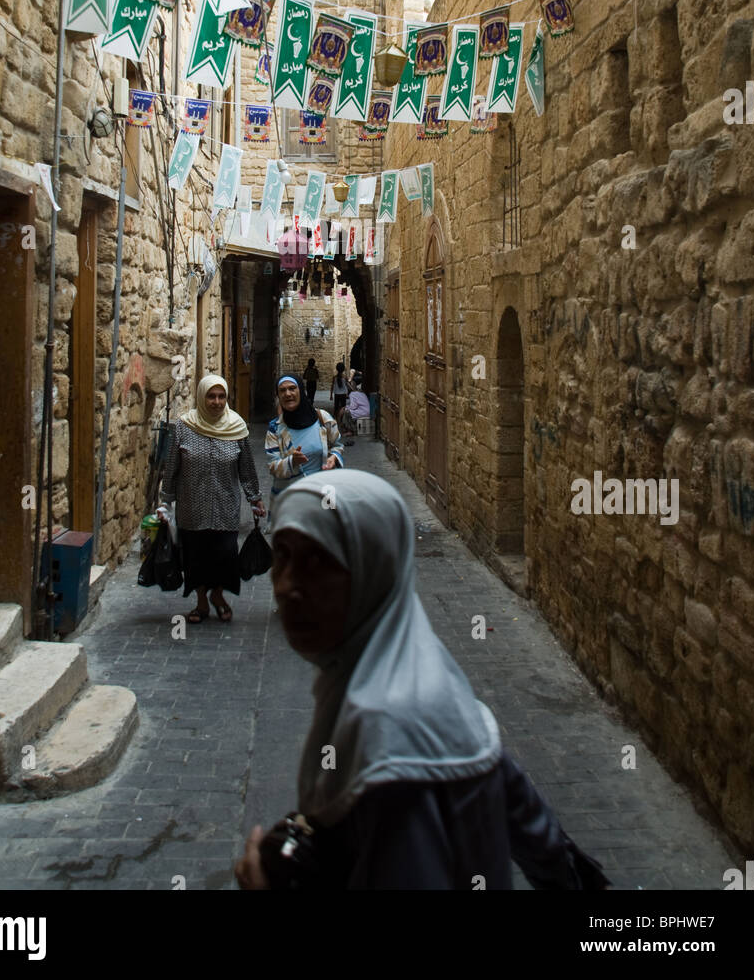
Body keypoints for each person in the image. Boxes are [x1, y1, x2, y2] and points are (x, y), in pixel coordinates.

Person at [234, 471, 610, 890]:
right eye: (282, 555)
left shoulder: (389, 740)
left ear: (374, 570)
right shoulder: (435, 681)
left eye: (318, 562)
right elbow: (538, 836)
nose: (287, 587)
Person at [161, 374, 265, 625]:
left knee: (224, 554)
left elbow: (247, 468)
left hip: (225, 506)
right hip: (191, 507)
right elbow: (172, 466)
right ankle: (201, 602)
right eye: (211, 396)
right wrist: (166, 501)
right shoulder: (186, 426)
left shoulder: (237, 427)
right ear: (201, 396)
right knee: (195, 556)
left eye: (221, 396)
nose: (217, 402)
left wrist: (255, 498)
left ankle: (218, 596)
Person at [265, 375, 343, 510]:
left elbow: (337, 445)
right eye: (282, 390)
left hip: (323, 495)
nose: (288, 394)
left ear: (301, 390)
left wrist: (334, 457)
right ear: (278, 395)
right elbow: (273, 466)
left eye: (292, 388)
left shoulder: (322, 419)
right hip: (291, 500)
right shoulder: (275, 429)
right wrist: (292, 462)